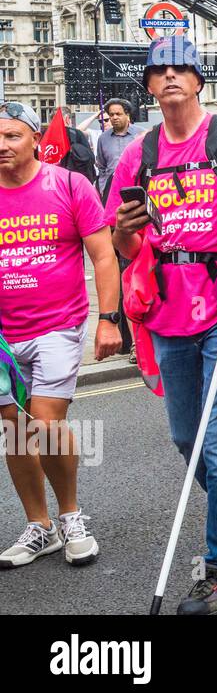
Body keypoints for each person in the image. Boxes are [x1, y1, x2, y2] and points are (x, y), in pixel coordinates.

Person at [106, 42, 217, 615]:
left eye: (182, 68)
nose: (172, 76)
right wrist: (127, 231)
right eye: (160, 70)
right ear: (150, 85)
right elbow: (124, 244)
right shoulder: (138, 155)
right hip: (167, 316)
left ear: (200, 81)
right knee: (186, 439)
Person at [0, 102, 120, 570]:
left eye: (12, 135)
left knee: (46, 424)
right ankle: (39, 527)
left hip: (57, 324)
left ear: (35, 138)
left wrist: (107, 318)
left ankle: (70, 515)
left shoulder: (69, 184)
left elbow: (104, 256)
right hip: (3, 337)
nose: (2, 145)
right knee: (13, 430)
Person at [96, 98, 146, 360]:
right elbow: (102, 170)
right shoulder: (103, 140)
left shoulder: (140, 137)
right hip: (111, 206)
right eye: (110, 114)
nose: (113, 118)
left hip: (136, 207)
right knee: (120, 269)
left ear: (128, 115)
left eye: (117, 114)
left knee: (134, 271)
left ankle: (140, 341)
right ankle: (128, 341)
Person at [57, 106, 97, 186]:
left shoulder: (44, 136)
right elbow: (91, 158)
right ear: (67, 119)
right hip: (77, 182)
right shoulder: (76, 134)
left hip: (54, 182)